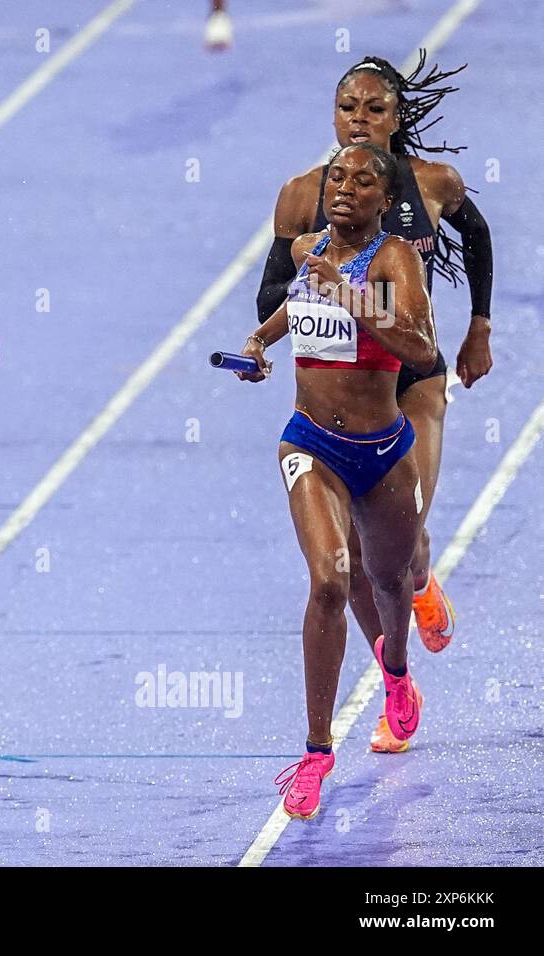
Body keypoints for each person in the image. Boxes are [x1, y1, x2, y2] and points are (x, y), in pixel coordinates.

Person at [255, 54, 494, 752]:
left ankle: (419, 577)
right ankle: (395, 680)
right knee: (350, 564)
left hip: (412, 380)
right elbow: (270, 298)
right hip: (341, 394)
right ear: (333, 116)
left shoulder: (431, 184)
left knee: (405, 532)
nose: (359, 120)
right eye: (348, 109)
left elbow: (476, 239)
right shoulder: (305, 196)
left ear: (398, 118)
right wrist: (309, 299)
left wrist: (480, 325)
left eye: (375, 110)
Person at [238, 143, 438, 819]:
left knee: (389, 585)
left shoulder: (392, 260)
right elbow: (298, 307)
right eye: (337, 179)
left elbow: (421, 348)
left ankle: (398, 677)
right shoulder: (306, 252)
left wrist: (348, 295)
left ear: (385, 201)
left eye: (362, 182)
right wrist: (260, 344)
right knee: (329, 580)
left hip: (382, 453)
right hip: (310, 442)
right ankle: (317, 753)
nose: (345, 189)